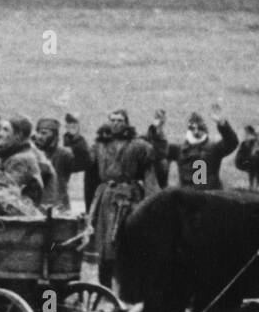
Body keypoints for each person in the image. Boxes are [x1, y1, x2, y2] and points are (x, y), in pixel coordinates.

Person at [87, 110, 158, 289]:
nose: (116, 123)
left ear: (127, 122)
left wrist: (152, 202)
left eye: (120, 120)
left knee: (125, 243)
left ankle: (129, 290)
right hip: (105, 198)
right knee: (104, 247)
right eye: (113, 120)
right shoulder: (99, 146)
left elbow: (150, 175)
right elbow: (87, 170)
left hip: (129, 197)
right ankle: (104, 288)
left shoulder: (139, 146)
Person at [165, 103, 238, 190]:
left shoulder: (214, 148)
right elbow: (158, 150)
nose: (196, 131)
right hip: (185, 198)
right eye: (193, 128)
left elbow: (232, 142)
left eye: (199, 128)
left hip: (209, 198)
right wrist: (156, 129)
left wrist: (222, 124)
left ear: (204, 130)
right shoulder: (178, 149)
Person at [0, 115, 45, 204]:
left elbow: (4, 194)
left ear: (18, 135)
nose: (0, 134)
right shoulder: (6, 155)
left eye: (6, 130)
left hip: (21, 213)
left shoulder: (21, 159)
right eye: (1, 129)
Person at [32, 118, 77, 212]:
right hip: (38, 205)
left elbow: (83, 160)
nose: (39, 137)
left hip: (59, 205)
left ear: (54, 135)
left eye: (44, 133)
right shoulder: (33, 154)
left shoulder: (64, 154)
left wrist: (74, 138)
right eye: (38, 133)